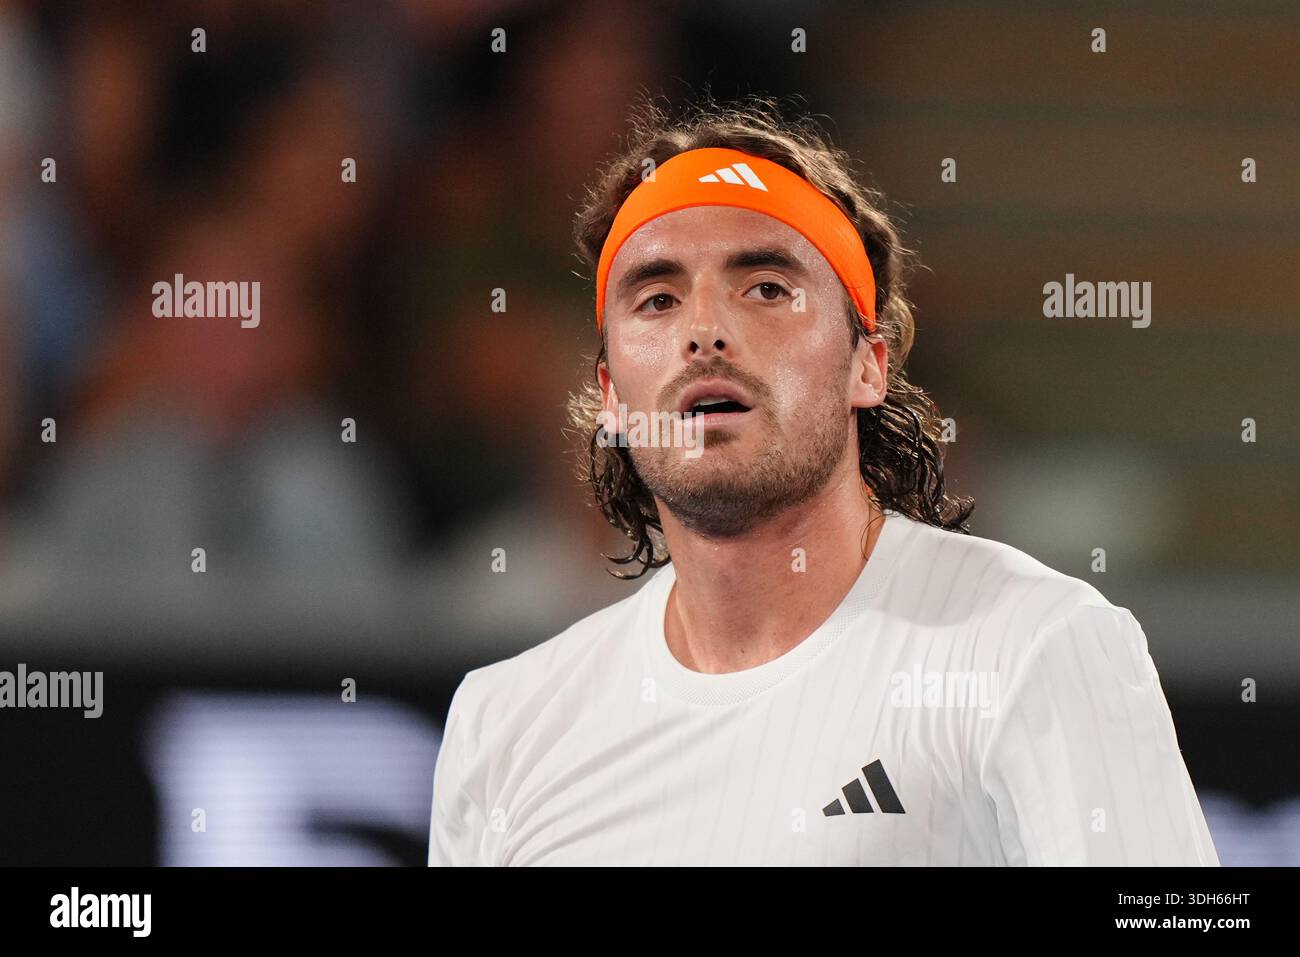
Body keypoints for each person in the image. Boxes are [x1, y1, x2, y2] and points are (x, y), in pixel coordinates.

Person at [427, 97, 1219, 866]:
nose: (705, 329)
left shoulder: (1035, 645)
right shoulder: (503, 726)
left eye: (766, 287)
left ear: (866, 364)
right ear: (610, 394)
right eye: (658, 298)